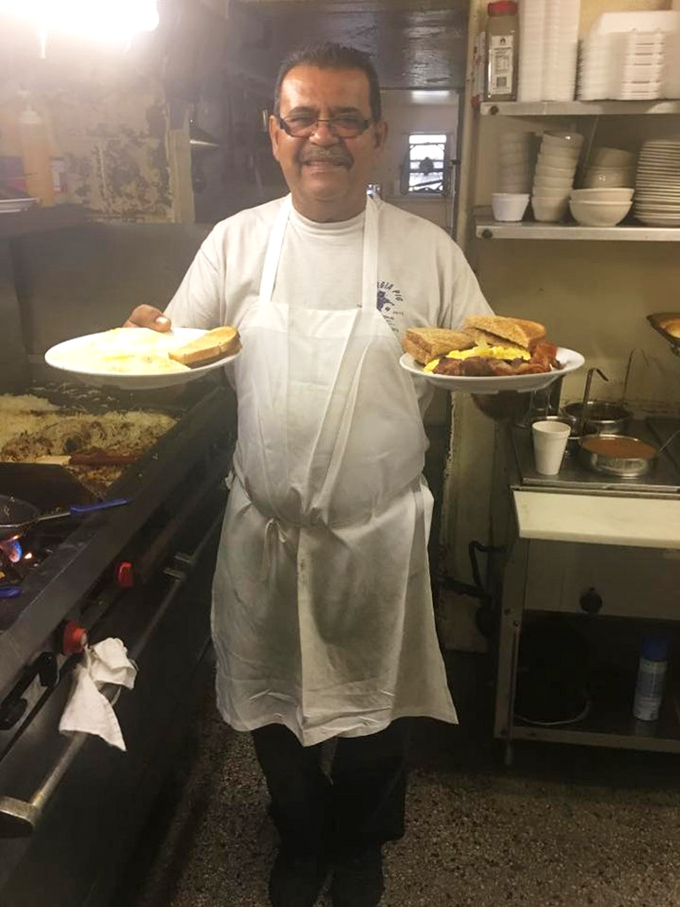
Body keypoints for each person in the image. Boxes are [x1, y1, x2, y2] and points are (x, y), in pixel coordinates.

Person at [126, 42, 492, 907]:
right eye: (302, 118)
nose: (322, 136)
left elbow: (487, 369)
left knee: (379, 715)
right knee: (271, 706)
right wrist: (145, 340)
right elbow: (177, 352)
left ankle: (359, 844)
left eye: (346, 119)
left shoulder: (428, 250)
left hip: (380, 537)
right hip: (268, 532)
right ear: (274, 132)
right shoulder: (236, 242)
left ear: (379, 136)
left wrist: (518, 388)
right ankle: (300, 833)